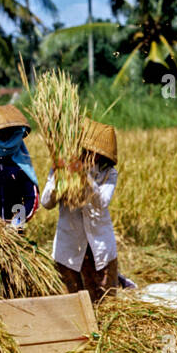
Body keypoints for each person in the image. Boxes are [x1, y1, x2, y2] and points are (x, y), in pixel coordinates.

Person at [42, 119, 120, 301]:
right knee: (71, 300)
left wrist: (84, 175)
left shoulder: (108, 173)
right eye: (87, 151)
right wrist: (58, 177)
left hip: (98, 246)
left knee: (104, 302)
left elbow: (102, 202)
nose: (91, 156)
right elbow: (47, 202)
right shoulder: (62, 168)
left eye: (95, 153)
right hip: (69, 245)